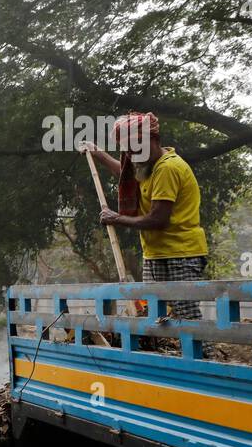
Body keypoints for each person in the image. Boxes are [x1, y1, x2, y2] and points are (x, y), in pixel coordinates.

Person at [80, 112, 208, 320]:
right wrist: (98, 154)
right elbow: (123, 173)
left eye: (137, 146)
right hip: (155, 255)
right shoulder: (148, 165)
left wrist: (116, 218)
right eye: (128, 150)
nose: (133, 154)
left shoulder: (167, 168)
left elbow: (157, 220)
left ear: (154, 140)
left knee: (187, 319)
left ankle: (203, 354)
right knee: (155, 317)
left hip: (181, 255)